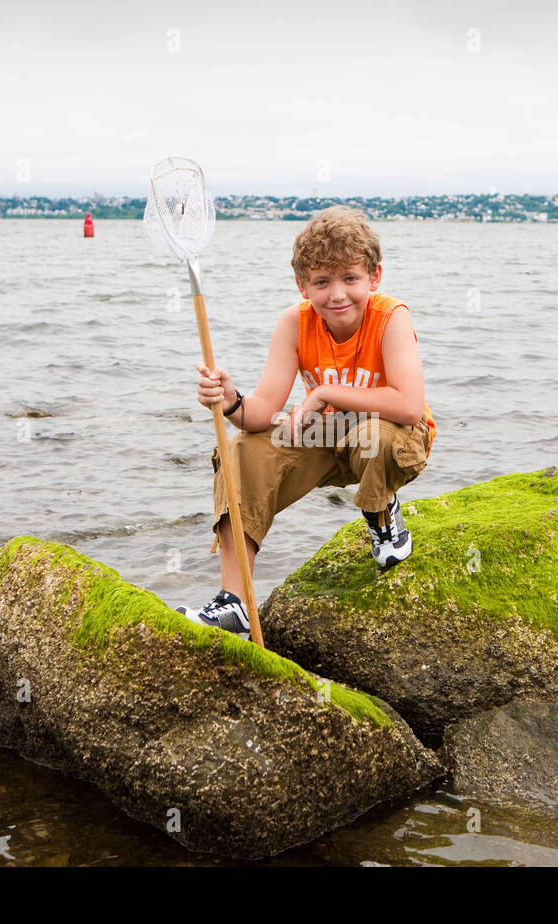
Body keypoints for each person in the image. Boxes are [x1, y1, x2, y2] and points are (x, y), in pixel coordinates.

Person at [175, 205, 437, 638]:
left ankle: (383, 515)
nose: (337, 294)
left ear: (374, 277)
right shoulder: (295, 323)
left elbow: (409, 405)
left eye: (350, 278)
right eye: (322, 282)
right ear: (303, 285)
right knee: (240, 450)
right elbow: (260, 414)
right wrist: (230, 399)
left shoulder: (391, 317)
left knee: (374, 435)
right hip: (328, 436)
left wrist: (324, 393)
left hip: (394, 437)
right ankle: (236, 600)